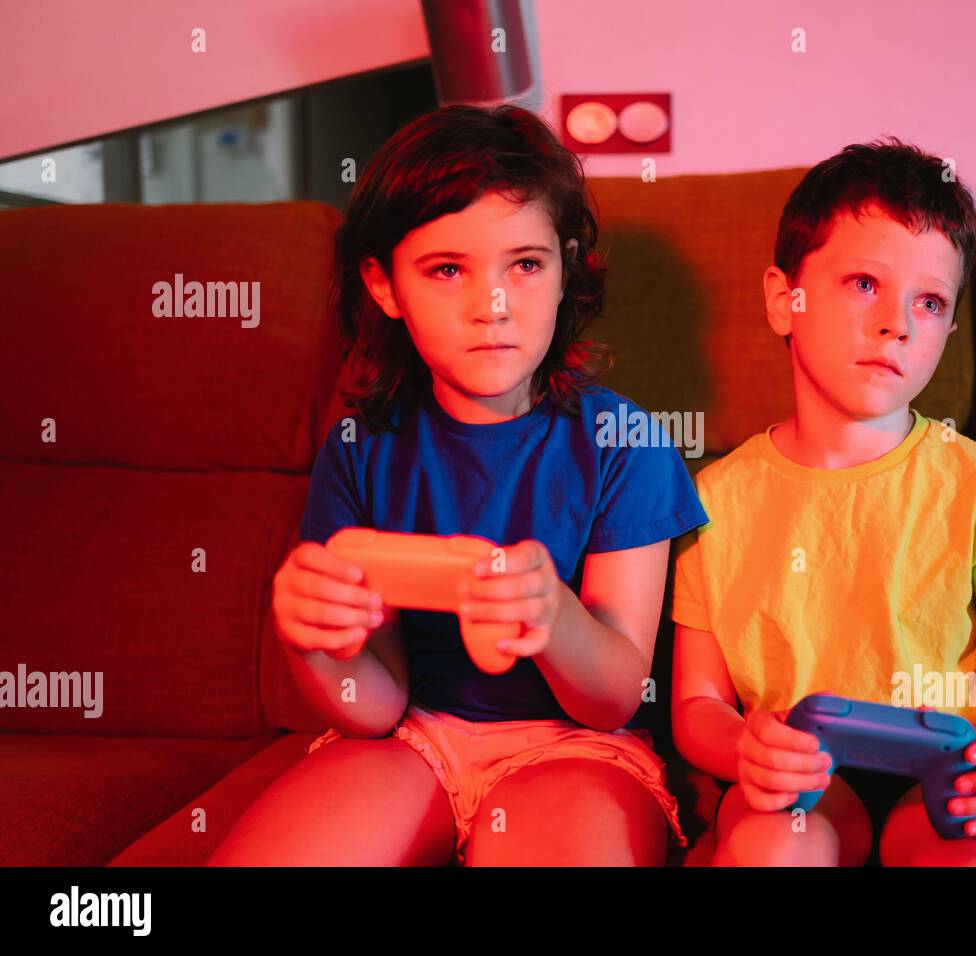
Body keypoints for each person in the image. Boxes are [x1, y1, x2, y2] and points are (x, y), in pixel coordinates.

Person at [207, 104, 706, 867]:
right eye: (447, 270)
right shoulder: (361, 448)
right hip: (414, 741)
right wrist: (314, 646)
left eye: (525, 264)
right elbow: (372, 709)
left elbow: (612, 697)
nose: (493, 306)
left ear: (565, 267)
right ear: (384, 285)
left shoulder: (623, 441)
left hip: (578, 748)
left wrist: (554, 618)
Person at [670, 138, 976, 866]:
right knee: (771, 847)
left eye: (928, 302)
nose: (896, 322)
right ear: (784, 300)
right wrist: (747, 746)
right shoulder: (715, 501)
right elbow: (695, 704)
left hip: (944, 772)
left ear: (948, 330)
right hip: (791, 777)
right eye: (864, 283)